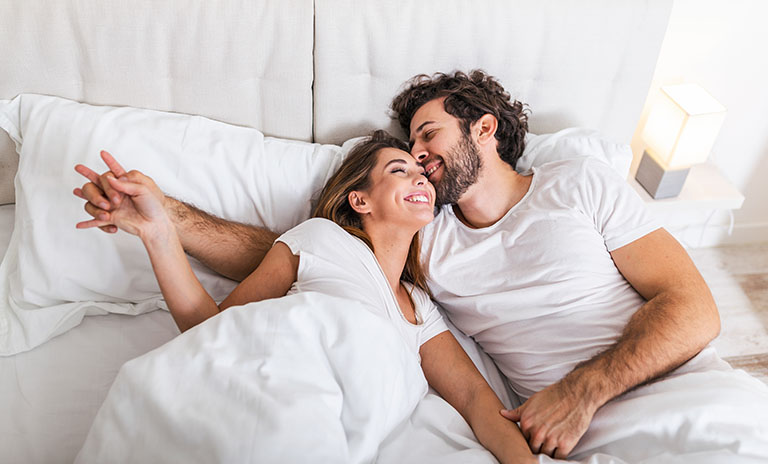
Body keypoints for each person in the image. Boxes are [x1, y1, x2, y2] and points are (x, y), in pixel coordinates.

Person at [74, 71, 721, 459]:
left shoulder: (579, 182)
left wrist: (577, 397)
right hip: (557, 435)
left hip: (666, 389)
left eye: (428, 137)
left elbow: (694, 308)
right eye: (405, 154)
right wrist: (167, 219)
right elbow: (285, 256)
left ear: (485, 129)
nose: (419, 158)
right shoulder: (421, 243)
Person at [74, 131, 536, 464]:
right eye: (401, 171)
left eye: (422, 173)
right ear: (360, 201)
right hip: (276, 389)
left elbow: (477, 400)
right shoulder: (318, 238)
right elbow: (211, 331)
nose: (422, 180)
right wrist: (159, 233)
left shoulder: (421, 308)